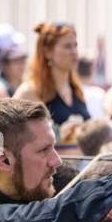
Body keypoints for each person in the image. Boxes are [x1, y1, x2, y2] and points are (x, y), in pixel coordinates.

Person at [15, 22, 88, 155]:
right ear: (48, 52)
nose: (74, 52)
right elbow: (15, 137)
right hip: (50, 171)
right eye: (67, 46)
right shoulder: (30, 92)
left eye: (75, 46)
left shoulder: (76, 89)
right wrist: (59, 133)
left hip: (81, 169)